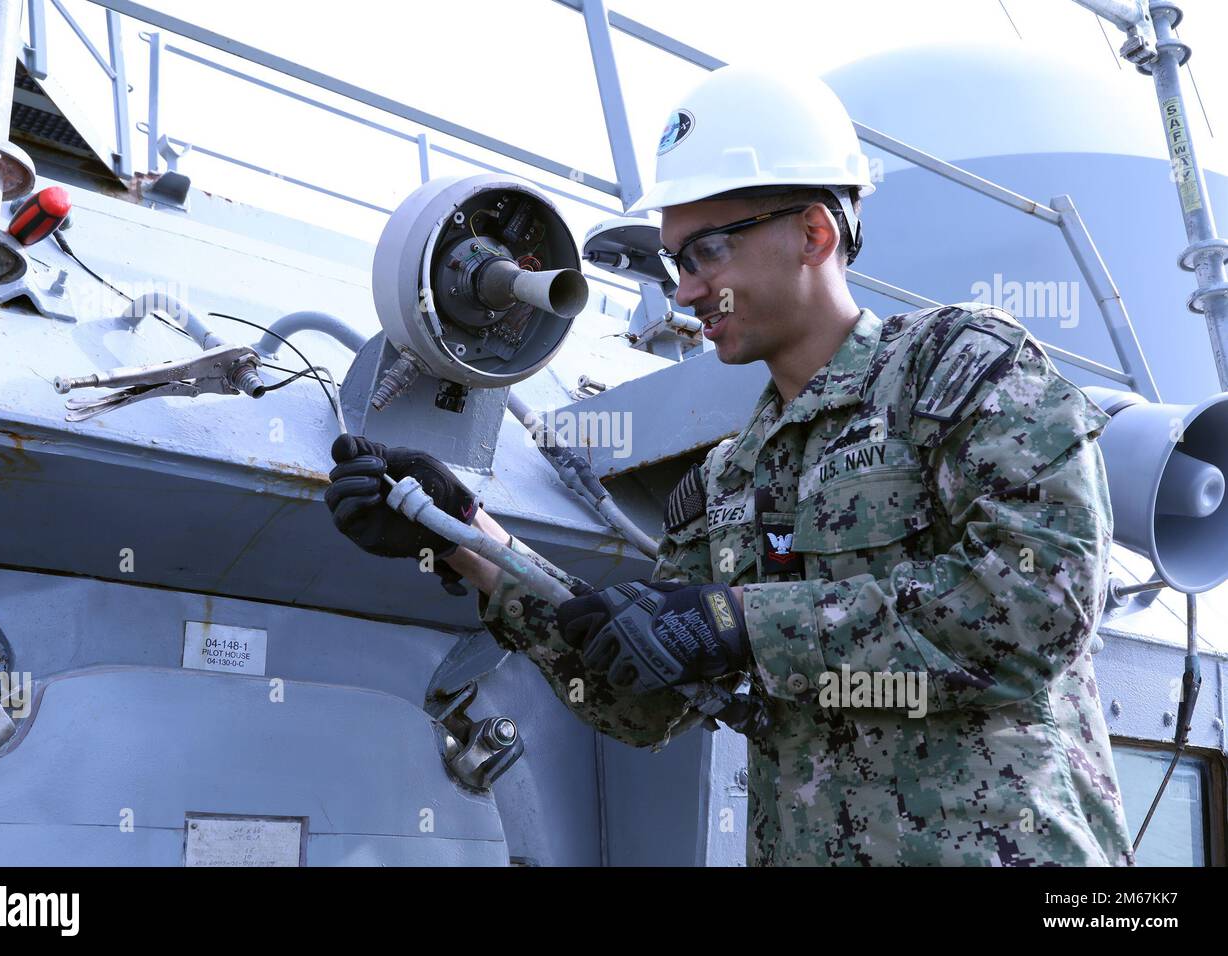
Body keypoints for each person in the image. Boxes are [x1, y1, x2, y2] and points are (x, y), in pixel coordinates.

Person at [325, 65, 1134, 866]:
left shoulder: (960, 370)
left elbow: (1037, 610)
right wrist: (465, 538)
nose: (684, 291)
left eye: (706, 254)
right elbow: (644, 704)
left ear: (814, 233)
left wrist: (739, 620)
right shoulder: (724, 483)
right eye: (677, 262)